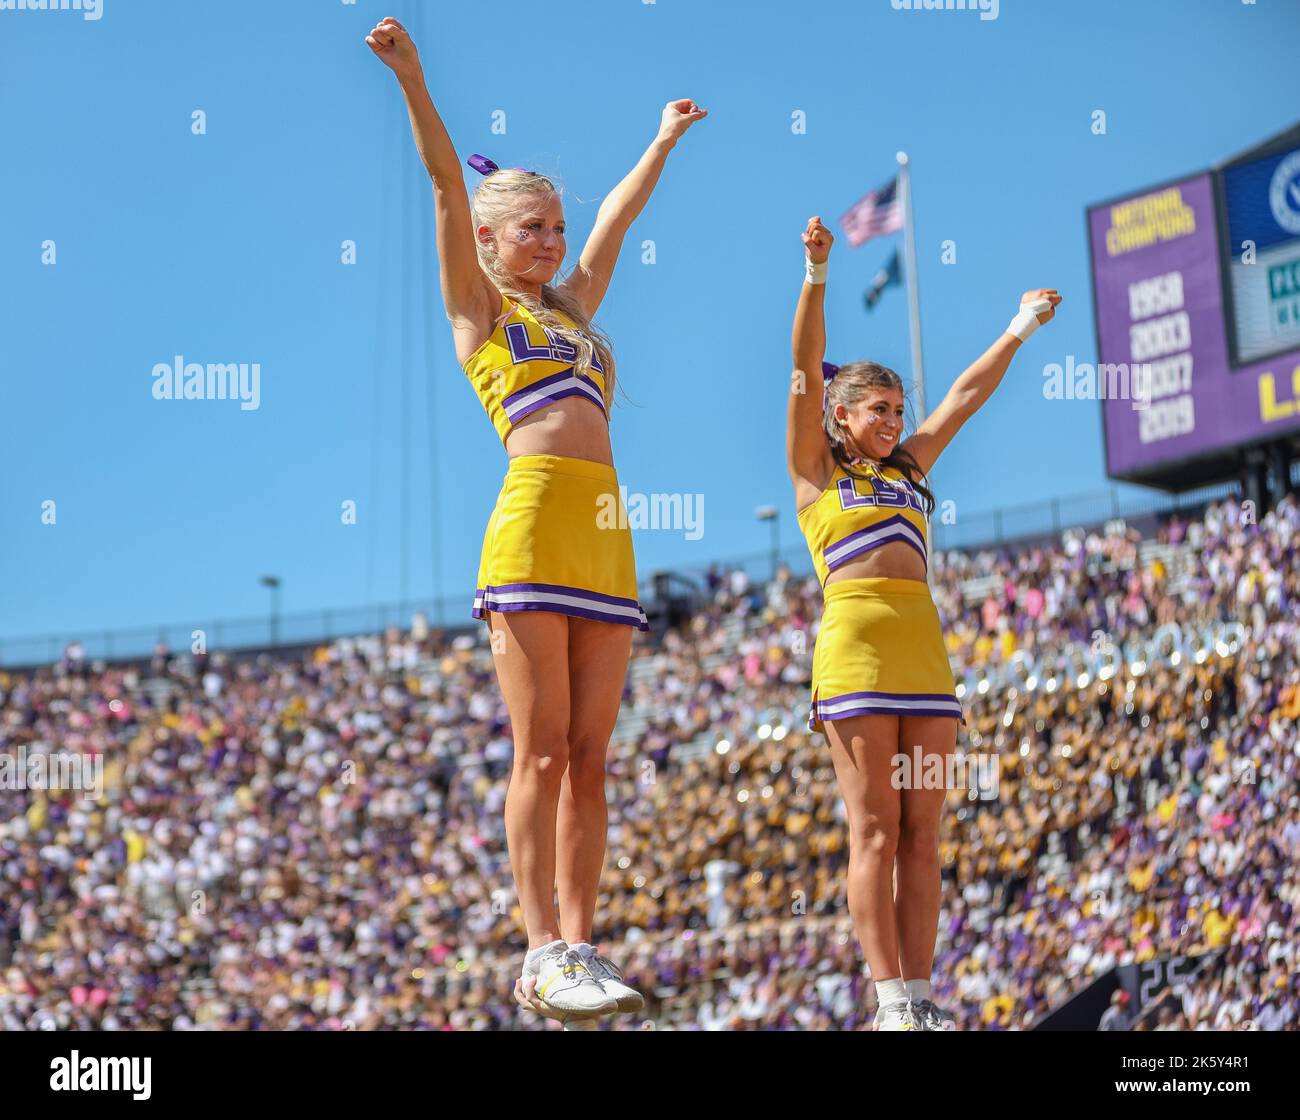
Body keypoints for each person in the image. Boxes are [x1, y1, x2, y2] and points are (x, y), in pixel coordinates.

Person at [366, 17, 706, 1025]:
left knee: (595, 754)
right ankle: (539, 947)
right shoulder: (480, 309)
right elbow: (439, 180)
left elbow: (616, 219)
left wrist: (661, 139)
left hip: (605, 535)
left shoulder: (578, 311)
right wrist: (413, 79)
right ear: (489, 239)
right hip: (530, 526)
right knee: (544, 750)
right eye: (533, 229)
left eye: (554, 229)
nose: (553, 243)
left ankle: (583, 945)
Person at [786, 214, 1059, 1030]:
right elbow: (803, 366)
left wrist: (1018, 325)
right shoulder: (813, 473)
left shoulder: (910, 468)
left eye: (899, 407)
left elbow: (967, 397)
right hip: (857, 652)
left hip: (925, 659)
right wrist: (817, 273)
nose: (896, 421)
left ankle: (923, 996)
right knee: (874, 828)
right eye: (878, 408)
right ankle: (888, 999)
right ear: (840, 416)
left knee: (923, 833)